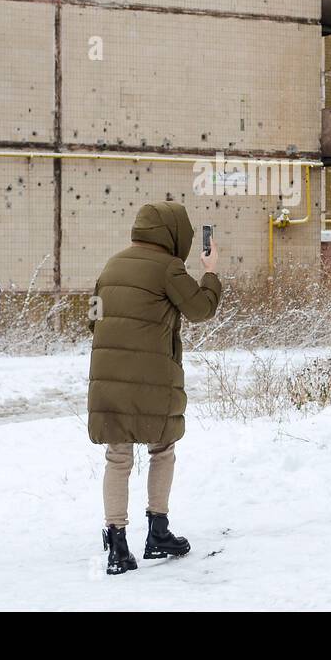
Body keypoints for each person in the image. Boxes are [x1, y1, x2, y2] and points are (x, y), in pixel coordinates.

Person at [87, 201, 222, 575]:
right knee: (162, 447)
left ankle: (116, 543)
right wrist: (210, 273)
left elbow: (92, 318)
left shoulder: (112, 265)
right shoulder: (169, 267)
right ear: (174, 233)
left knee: (118, 455)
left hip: (108, 377)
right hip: (151, 378)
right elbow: (200, 310)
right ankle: (158, 533)